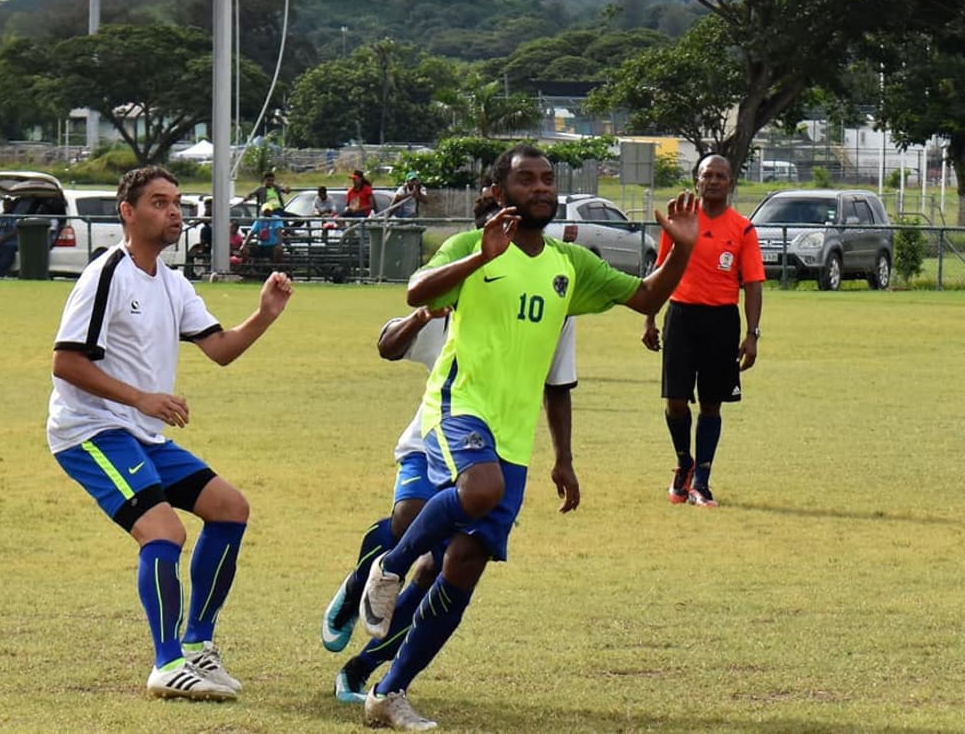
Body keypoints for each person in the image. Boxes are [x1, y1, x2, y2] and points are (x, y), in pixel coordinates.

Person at [357, 143, 699, 730]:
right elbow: (417, 295)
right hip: (460, 405)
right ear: (498, 192)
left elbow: (644, 296)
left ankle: (390, 691)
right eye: (526, 180)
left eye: (547, 179)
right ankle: (391, 565)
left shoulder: (570, 263)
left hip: (516, 433)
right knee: (480, 489)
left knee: (464, 566)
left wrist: (683, 250)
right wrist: (478, 259)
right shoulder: (470, 246)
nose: (541, 187)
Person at [46, 165, 293, 701]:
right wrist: (141, 398)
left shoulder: (174, 282)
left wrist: (264, 315)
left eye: (177, 202)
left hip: (142, 434)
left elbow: (221, 349)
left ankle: (199, 647)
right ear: (127, 213)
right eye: (159, 202)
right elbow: (66, 362)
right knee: (164, 533)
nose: (174, 211)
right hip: (91, 429)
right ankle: (166, 663)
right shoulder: (107, 273)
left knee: (231, 508)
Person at [323, 198, 580, 708]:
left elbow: (559, 383)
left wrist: (563, 457)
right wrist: (423, 315)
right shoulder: (460, 277)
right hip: (434, 437)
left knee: (444, 568)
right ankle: (359, 587)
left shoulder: (554, 293)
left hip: (494, 449)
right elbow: (388, 344)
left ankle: (368, 668)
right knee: (408, 520)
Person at [642, 153, 765, 508]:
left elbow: (754, 284)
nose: (713, 181)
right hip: (681, 316)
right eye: (706, 175)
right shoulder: (681, 221)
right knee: (676, 400)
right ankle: (684, 463)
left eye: (720, 176)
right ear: (696, 180)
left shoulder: (742, 228)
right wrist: (649, 317)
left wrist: (752, 334)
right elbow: (661, 272)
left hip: (722, 321)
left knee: (712, 404)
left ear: (731, 183)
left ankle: (702, 482)